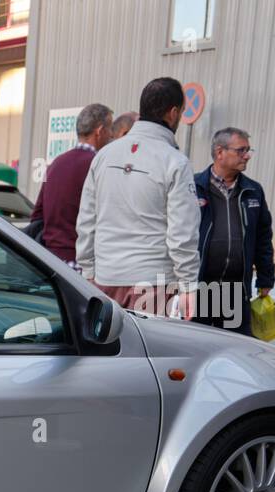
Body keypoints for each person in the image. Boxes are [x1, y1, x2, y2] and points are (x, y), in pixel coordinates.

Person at [75, 77, 201, 320]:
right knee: (149, 356)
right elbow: (182, 234)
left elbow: (87, 220)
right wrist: (188, 286)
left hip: (105, 280)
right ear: (173, 113)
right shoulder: (175, 162)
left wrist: (89, 271)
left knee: (108, 354)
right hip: (153, 286)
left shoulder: (104, 156)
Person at [194, 127, 274, 333]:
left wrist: (266, 277)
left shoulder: (253, 191)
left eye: (248, 150)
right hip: (199, 289)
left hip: (236, 291)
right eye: (241, 150)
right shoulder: (193, 187)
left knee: (234, 350)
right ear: (220, 152)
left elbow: (263, 238)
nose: (247, 156)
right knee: (195, 346)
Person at [29, 102, 112, 264]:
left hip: (51, 261)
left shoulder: (55, 164)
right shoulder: (98, 166)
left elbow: (38, 214)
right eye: (110, 129)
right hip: (82, 263)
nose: (112, 136)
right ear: (100, 131)